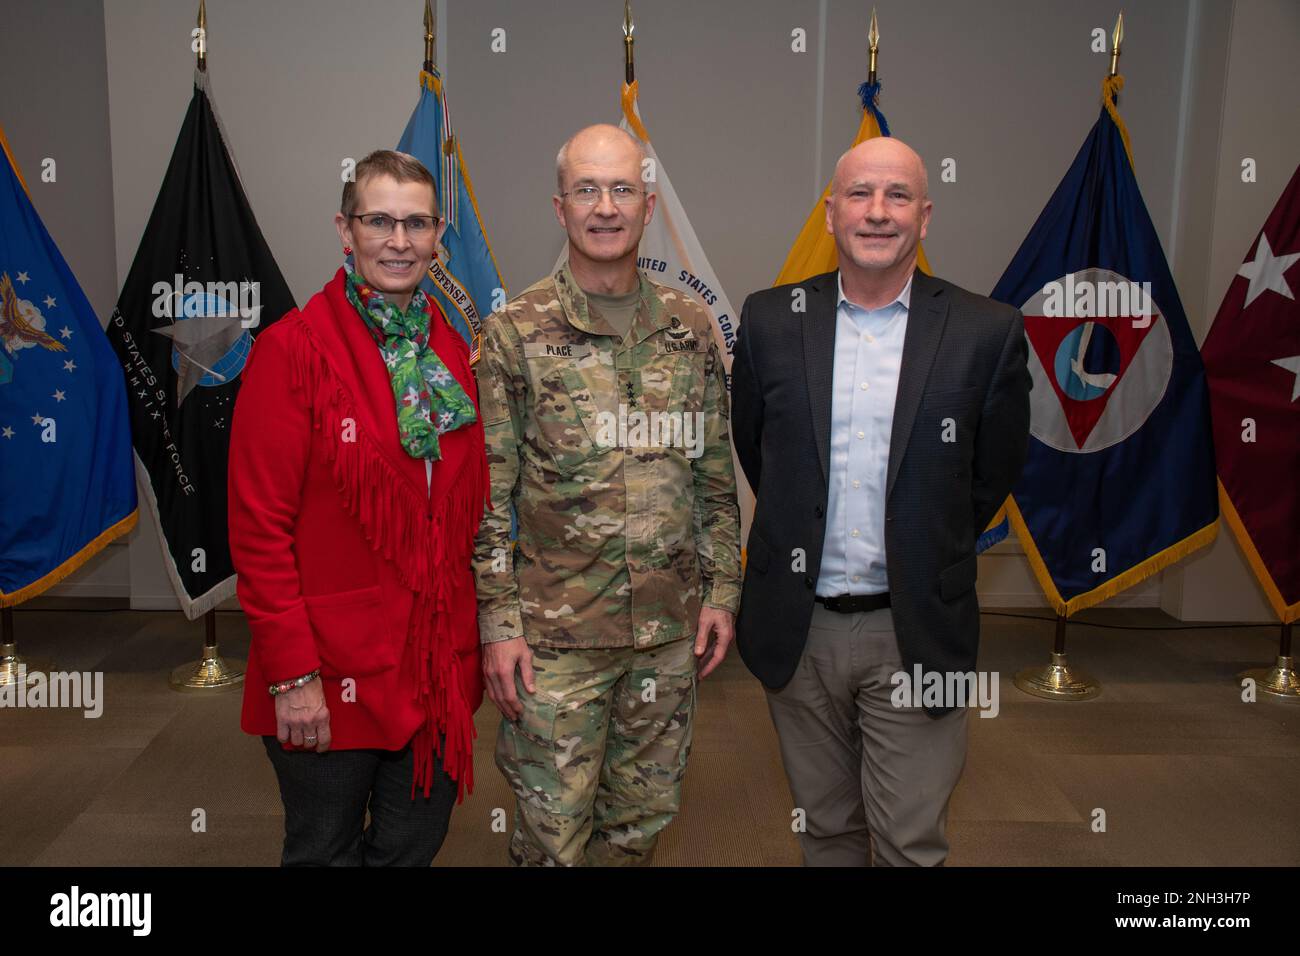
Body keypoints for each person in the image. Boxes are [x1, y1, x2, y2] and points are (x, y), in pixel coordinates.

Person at [731, 137, 1031, 866]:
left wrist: (927, 541)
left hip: (915, 625)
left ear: (925, 218)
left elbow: (991, 476)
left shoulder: (986, 331)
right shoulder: (772, 319)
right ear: (831, 212)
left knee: (908, 841)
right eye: (859, 194)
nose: (877, 212)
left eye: (897, 196)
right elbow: (758, 448)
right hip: (801, 627)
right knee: (826, 830)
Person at [471, 124, 741, 866]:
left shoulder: (687, 328)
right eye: (586, 188)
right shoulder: (514, 333)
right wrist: (498, 625)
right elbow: (490, 497)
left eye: (622, 188)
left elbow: (713, 475)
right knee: (552, 839)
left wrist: (722, 594)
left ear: (647, 205)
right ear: (561, 209)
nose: (605, 206)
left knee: (639, 828)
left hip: (665, 633)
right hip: (555, 642)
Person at [228, 149, 488, 866]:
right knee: (325, 852)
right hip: (331, 669)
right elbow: (258, 531)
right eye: (379, 221)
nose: (399, 242)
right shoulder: (293, 351)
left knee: (412, 846)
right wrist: (292, 676)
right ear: (345, 230)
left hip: (434, 670)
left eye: (417, 224)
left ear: (438, 236)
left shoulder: (451, 353)